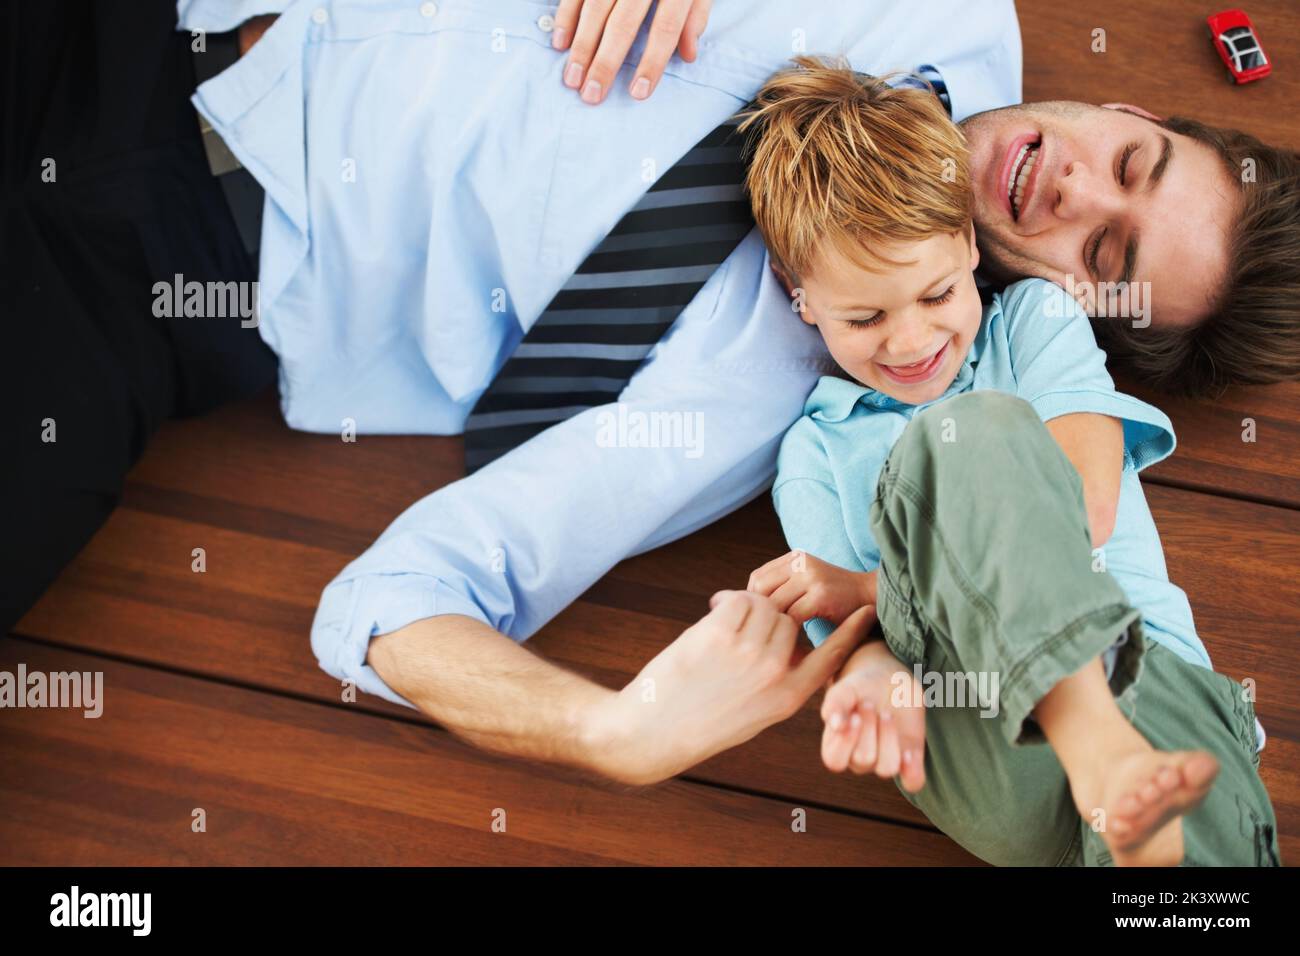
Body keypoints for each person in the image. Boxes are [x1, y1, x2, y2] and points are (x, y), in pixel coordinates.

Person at [737, 59, 1279, 866]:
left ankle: (1100, 739)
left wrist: (866, 588)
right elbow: (864, 645)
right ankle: (1097, 751)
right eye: (863, 316)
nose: (913, 343)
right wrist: (863, 680)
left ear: (964, 240)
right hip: (990, 757)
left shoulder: (1033, 319)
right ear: (799, 295)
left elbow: (1079, 509)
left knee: (965, 439)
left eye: (935, 295)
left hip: (1146, 697)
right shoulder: (813, 452)